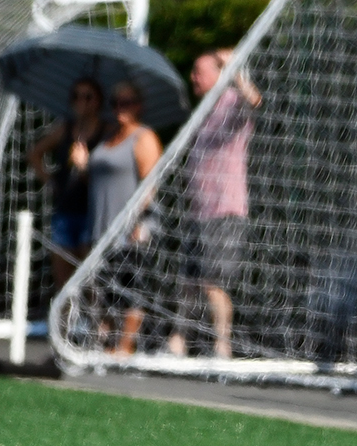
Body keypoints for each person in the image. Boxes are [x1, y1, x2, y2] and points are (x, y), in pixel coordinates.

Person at [172, 48, 262, 359]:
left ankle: (221, 347)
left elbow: (255, 101)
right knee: (188, 282)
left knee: (214, 282)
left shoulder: (232, 102)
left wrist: (234, 70)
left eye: (200, 71)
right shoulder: (204, 110)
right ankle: (178, 342)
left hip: (225, 211)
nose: (193, 78)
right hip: (200, 211)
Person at [88, 81, 163, 355]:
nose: (121, 108)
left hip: (129, 227)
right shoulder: (109, 136)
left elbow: (150, 184)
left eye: (127, 103)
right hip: (101, 223)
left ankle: (125, 345)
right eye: (116, 103)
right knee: (105, 288)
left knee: (130, 287)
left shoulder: (143, 137)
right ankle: (106, 343)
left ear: (139, 106)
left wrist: (141, 222)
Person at [27, 78, 106, 292]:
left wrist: (84, 166)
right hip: (65, 209)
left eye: (88, 96)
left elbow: (105, 178)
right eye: (76, 96)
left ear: (98, 101)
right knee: (63, 281)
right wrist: (50, 181)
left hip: (92, 211)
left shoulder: (106, 133)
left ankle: (92, 322)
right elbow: (34, 153)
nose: (82, 101)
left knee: (90, 279)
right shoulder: (66, 129)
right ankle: (64, 323)